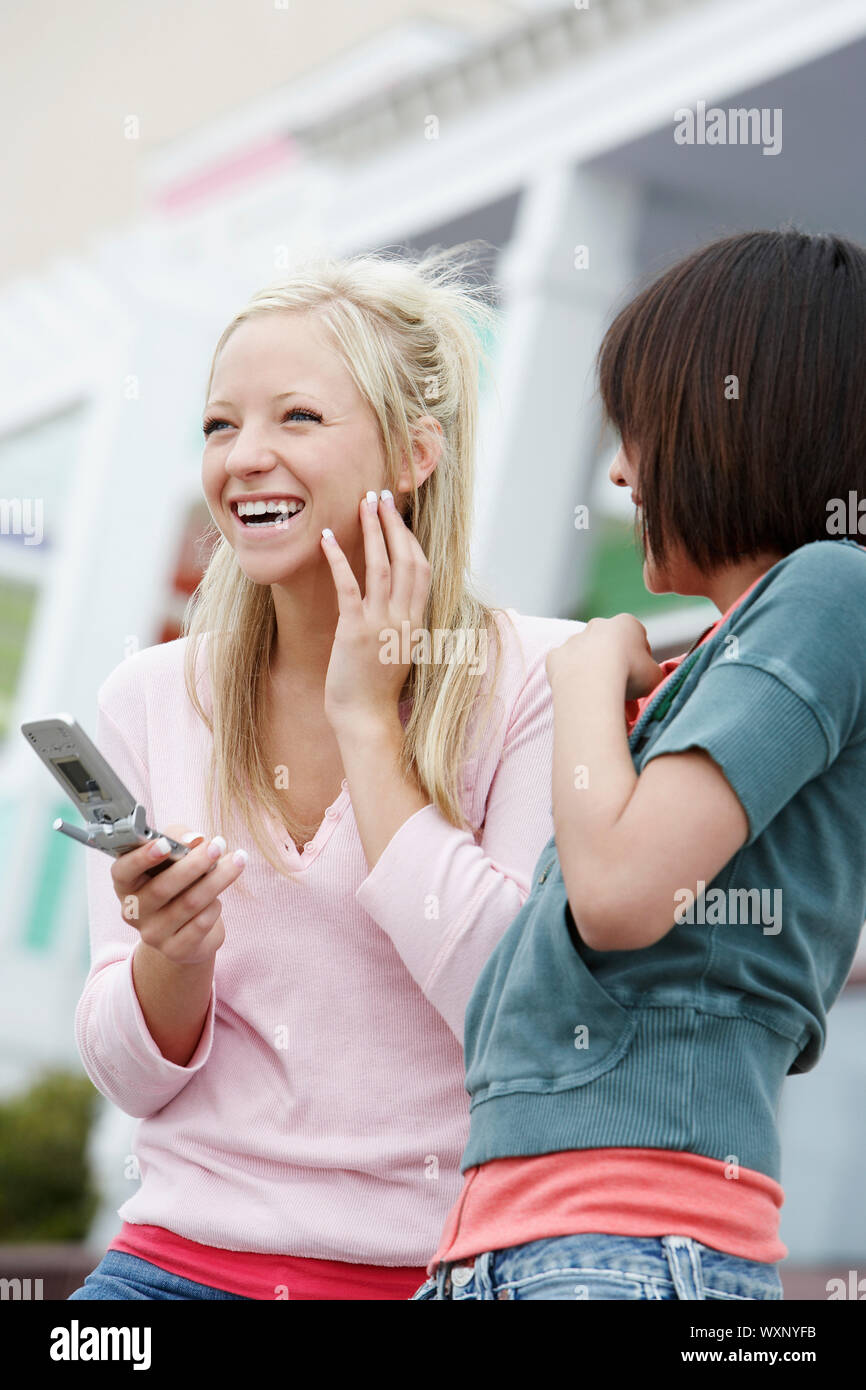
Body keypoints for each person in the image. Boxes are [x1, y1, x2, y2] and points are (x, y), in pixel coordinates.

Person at [68, 248, 582, 1301]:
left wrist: (366, 723)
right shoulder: (151, 696)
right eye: (219, 425)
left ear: (413, 451)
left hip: (434, 1274)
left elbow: (511, 1008)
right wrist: (173, 952)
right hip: (172, 1266)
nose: (243, 457)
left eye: (296, 419)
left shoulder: (538, 675)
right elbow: (126, 1076)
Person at [413, 227, 866, 1301]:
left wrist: (581, 680)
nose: (619, 470)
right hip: (527, 1244)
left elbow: (618, 893)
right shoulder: (732, 651)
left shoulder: (828, 587)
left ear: (733, 417)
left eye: (638, 428)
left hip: (619, 1246)